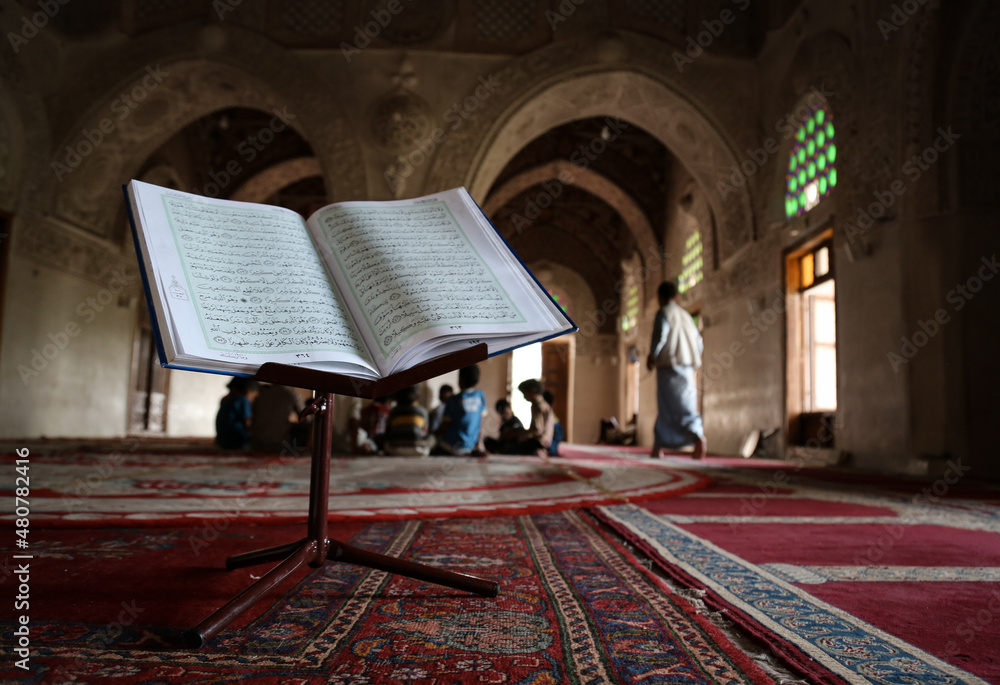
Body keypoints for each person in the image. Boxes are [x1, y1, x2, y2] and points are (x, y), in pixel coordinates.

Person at [646, 281, 706, 459]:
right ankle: (696, 438)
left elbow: (660, 336)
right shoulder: (686, 316)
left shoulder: (664, 313)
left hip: (669, 367)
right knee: (686, 406)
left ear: (661, 297)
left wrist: (652, 356)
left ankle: (660, 447)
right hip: (688, 368)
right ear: (677, 297)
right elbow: (699, 343)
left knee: (667, 408)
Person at [436, 365, 487, 456]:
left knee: (435, 445)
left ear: (461, 380)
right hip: (471, 445)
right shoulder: (480, 395)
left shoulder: (452, 400)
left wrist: (433, 433)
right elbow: (481, 422)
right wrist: (479, 442)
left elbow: (444, 426)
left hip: (452, 445)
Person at [250, 383, 306, 453]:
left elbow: (252, 415)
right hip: (280, 444)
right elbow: (305, 419)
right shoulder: (291, 394)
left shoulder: (263, 393)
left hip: (257, 442)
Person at [384, 385, 433, 456]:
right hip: (419, 450)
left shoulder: (394, 411)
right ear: (416, 394)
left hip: (395, 450)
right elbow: (425, 432)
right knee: (433, 438)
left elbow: (388, 431)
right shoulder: (423, 411)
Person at [511, 378, 555, 456]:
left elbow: (538, 430)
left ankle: (540, 451)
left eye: (524, 393)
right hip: (543, 440)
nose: (524, 397)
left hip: (540, 442)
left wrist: (523, 435)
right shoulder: (540, 404)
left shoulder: (538, 406)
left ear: (533, 391)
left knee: (510, 446)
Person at [215, 378, 259, 450]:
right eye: (254, 397)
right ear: (248, 391)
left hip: (222, 440)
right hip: (237, 439)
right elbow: (247, 422)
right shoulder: (243, 400)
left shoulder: (226, 398)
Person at [543, 390, 564, 457]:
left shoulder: (545, 408)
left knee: (551, 448)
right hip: (557, 427)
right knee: (552, 446)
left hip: (555, 428)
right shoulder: (547, 408)